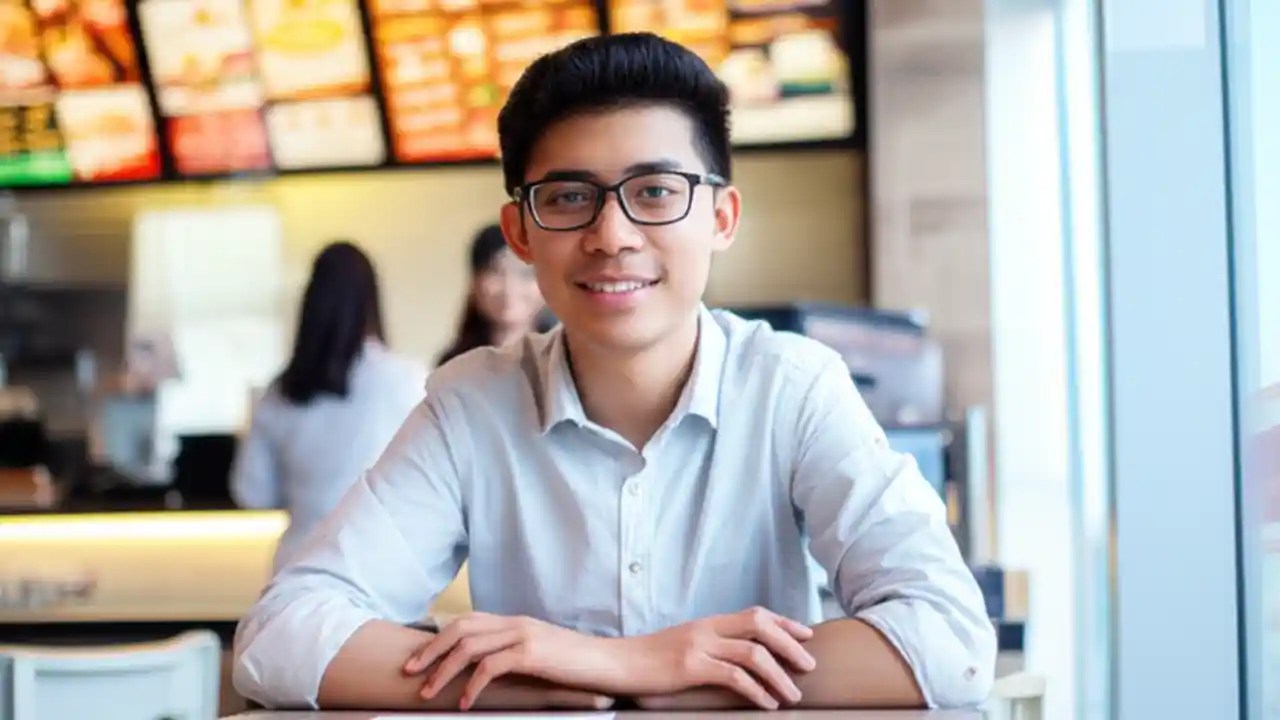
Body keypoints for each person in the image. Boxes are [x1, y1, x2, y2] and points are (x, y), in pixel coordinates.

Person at [232, 34, 995, 712]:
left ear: (721, 218)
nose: (612, 235)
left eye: (655, 192)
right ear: (521, 233)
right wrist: (621, 667)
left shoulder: (793, 387)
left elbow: (949, 640)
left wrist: (624, 673)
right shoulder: (472, 403)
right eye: (569, 198)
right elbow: (279, 638)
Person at [229, 241, 426, 574]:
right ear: (371, 302)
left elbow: (252, 492)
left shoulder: (280, 392)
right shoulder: (407, 380)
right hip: (380, 571)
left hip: (296, 569)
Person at [436, 223, 554, 367]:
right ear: (475, 282)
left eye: (525, 274)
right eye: (495, 272)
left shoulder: (566, 359)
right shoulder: (453, 365)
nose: (510, 288)